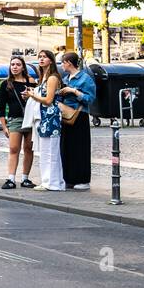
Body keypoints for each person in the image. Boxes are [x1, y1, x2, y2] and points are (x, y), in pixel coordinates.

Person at [24, 50, 65, 191]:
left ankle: (51, 183)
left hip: (50, 117)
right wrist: (32, 93)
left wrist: (32, 96)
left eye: (44, 57)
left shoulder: (52, 78)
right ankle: (50, 181)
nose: (41, 59)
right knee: (46, 151)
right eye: (39, 57)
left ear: (51, 61)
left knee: (50, 152)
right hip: (44, 117)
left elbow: (48, 100)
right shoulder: (44, 78)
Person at [0, 54, 36, 190]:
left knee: (29, 148)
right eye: (12, 64)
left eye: (18, 64)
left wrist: (30, 95)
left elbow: (37, 100)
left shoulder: (30, 81)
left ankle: (25, 178)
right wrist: (4, 126)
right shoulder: (6, 83)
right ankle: (11, 178)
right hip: (15, 120)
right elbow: (1, 108)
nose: (15, 67)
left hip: (30, 119)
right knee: (14, 148)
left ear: (23, 67)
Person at [58, 52, 96, 191]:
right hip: (65, 114)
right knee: (66, 147)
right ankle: (68, 178)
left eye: (63, 62)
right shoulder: (66, 78)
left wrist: (74, 91)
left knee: (80, 148)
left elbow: (90, 99)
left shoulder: (85, 78)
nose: (62, 65)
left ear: (69, 63)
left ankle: (82, 179)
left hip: (79, 115)